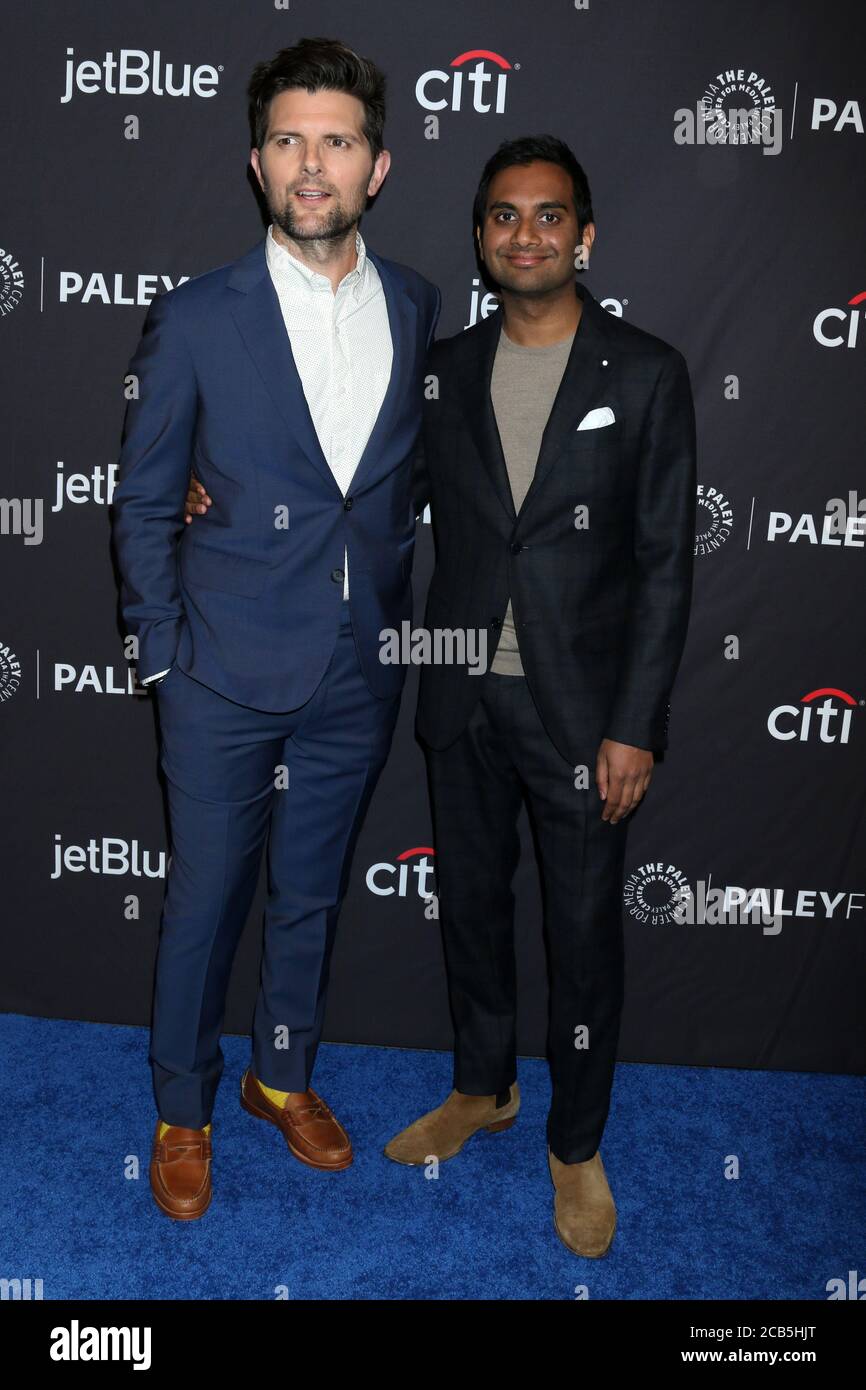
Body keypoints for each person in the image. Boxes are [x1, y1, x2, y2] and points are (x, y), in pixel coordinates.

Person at [186, 134, 697, 1259]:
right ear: (479, 238)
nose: (525, 234)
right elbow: (359, 483)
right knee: (467, 913)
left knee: (578, 937)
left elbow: (666, 566)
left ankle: (574, 1143)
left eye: (547, 216)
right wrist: (216, 483)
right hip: (460, 696)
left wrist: (632, 725)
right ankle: (482, 1089)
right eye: (504, 217)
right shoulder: (448, 369)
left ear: (584, 234)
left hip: (581, 715)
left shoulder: (645, 372)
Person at [111, 36, 439, 1221]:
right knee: (205, 899)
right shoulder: (197, 317)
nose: (314, 164)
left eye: (336, 141)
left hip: (359, 667)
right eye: (290, 141)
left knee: (310, 893)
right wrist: (160, 649)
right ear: (257, 164)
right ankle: (182, 1107)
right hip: (219, 667)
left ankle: (278, 1074)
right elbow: (146, 499)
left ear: (377, 165)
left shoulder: (414, 300)